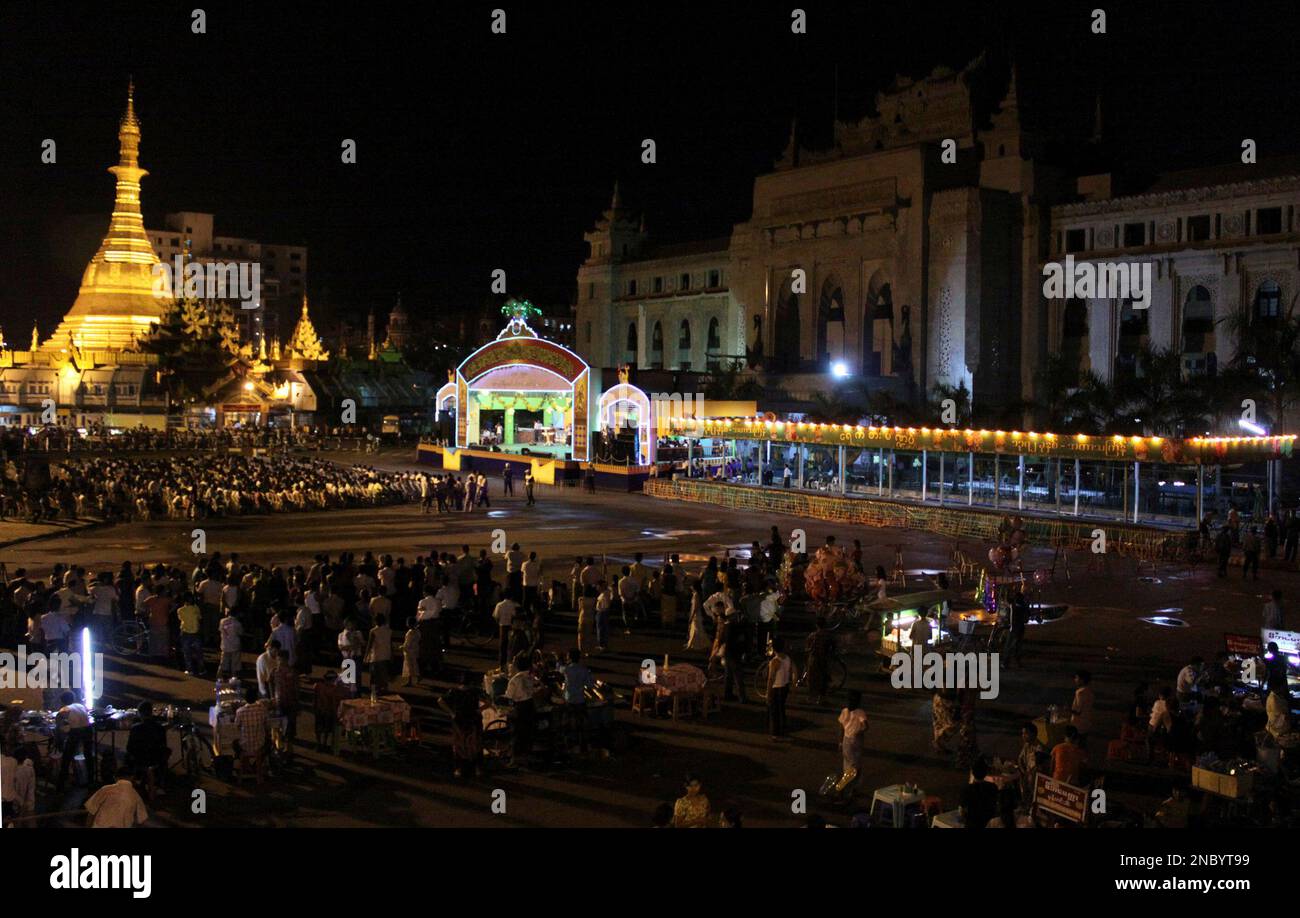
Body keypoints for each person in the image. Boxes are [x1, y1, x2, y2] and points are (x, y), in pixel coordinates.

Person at [440, 672, 483, 778]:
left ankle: (458, 768)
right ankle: (477, 768)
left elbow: (440, 701)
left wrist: (451, 713)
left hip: (459, 720)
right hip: (473, 719)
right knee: (475, 744)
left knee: (459, 743)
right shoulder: (475, 692)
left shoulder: (453, 692)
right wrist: (479, 709)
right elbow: (488, 701)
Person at [84, 764, 149, 828]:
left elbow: (91, 811)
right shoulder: (136, 796)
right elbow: (142, 820)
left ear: (115, 777)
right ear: (132, 777)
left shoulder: (106, 789)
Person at [55, 690, 95, 791]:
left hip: (76, 731)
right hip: (88, 729)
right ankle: (91, 781)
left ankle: (61, 785)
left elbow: (59, 726)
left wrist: (60, 740)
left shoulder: (64, 710)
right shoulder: (80, 706)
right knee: (88, 755)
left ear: (62, 701)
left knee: (67, 757)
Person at [125, 702, 169, 793]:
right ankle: (160, 781)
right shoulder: (160, 728)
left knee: (127, 757)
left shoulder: (135, 728)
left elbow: (129, 747)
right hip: (156, 759)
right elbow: (163, 745)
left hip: (140, 759)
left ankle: (134, 779)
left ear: (140, 713)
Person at [504, 652, 538, 767]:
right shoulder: (529, 677)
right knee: (527, 732)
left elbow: (509, 696)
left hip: (520, 707)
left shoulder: (515, 680)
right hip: (530, 706)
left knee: (517, 733)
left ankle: (515, 759)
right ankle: (526, 757)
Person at [233, 685, 270, 784]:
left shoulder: (240, 711)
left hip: (245, 745)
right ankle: (256, 766)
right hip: (260, 744)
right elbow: (267, 726)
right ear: (256, 698)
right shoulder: (263, 709)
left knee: (235, 744)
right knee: (269, 743)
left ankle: (247, 765)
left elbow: (236, 727)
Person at [562, 648, 596, 754]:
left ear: (570, 658)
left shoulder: (566, 670)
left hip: (569, 699)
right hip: (580, 700)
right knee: (582, 724)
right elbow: (590, 685)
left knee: (568, 724)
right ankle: (583, 746)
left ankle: (571, 746)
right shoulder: (583, 670)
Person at [766, 636, 797, 739]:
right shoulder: (788, 659)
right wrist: (793, 685)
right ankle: (783, 729)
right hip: (785, 687)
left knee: (774, 711)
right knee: (781, 709)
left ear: (774, 648)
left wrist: (768, 693)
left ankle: (775, 733)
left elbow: (771, 679)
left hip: (776, 688)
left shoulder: (774, 662)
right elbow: (795, 672)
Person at [960, 758, 999, 829]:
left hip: (972, 823)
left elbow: (962, 810)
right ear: (986, 773)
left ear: (972, 772)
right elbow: (996, 805)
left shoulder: (967, 789)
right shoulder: (993, 787)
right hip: (988, 822)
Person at [804, 617, 835, 705]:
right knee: (824, 678)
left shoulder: (812, 636)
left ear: (816, 625)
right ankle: (821, 698)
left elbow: (807, 648)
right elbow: (833, 647)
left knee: (812, 678)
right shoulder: (828, 636)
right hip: (824, 659)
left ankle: (811, 697)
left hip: (813, 659)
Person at [838, 689, 868, 781]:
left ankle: (847, 779)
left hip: (846, 739)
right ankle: (855, 780)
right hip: (857, 739)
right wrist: (859, 731)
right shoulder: (860, 713)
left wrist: (840, 742)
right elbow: (866, 726)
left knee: (847, 761)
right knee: (856, 761)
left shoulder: (844, 711)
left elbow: (841, 727)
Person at [176, 592, 204, 676]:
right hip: (195, 632)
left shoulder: (180, 610)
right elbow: (199, 618)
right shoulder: (196, 608)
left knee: (187, 653)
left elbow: (181, 619)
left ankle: (190, 669)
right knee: (198, 652)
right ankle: (201, 669)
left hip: (186, 632)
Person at [364, 613, 392, 693]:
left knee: (374, 673)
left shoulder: (373, 631)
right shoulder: (389, 631)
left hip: (376, 655)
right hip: (386, 654)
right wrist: (391, 654)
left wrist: (366, 656)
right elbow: (390, 643)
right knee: (383, 672)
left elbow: (369, 645)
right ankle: (384, 687)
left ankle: (375, 689)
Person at [1016, 722, 1043, 800]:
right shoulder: (1026, 745)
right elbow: (1020, 759)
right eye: (1023, 733)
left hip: (1034, 779)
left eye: (1026, 733)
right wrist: (1023, 771)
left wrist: (1027, 774)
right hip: (1027, 775)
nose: (1023, 736)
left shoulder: (1038, 748)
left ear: (1033, 734)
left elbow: (1036, 766)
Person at [1070, 670, 1094, 748]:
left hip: (1078, 725)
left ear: (1082, 680)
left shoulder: (1080, 692)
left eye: (1076, 678)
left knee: (1076, 746)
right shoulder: (1089, 691)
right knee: (1083, 745)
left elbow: (1077, 711)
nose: (1075, 680)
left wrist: (1067, 709)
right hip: (1086, 723)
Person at [493, 594, 519, 667]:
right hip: (512, 627)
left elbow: (496, 617)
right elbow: (516, 615)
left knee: (502, 646)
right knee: (511, 647)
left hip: (502, 627)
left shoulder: (499, 605)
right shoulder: (515, 605)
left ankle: (502, 665)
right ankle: (510, 664)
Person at [684, 582, 711, 652]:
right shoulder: (696, 594)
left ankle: (691, 645)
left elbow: (695, 607)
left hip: (696, 615)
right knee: (696, 630)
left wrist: (692, 615)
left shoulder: (696, 595)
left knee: (696, 630)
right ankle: (693, 644)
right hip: (696, 614)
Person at [218, 608, 243, 679]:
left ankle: (221, 676)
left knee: (224, 661)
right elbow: (240, 633)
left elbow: (220, 630)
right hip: (235, 645)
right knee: (235, 662)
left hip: (225, 645)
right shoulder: (237, 623)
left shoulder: (222, 621)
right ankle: (234, 676)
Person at [401, 616, 421, 686]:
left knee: (409, 665)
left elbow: (408, 643)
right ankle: (417, 677)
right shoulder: (417, 631)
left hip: (409, 651)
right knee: (414, 664)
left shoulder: (410, 633)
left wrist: (402, 647)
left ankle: (410, 681)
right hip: (415, 650)